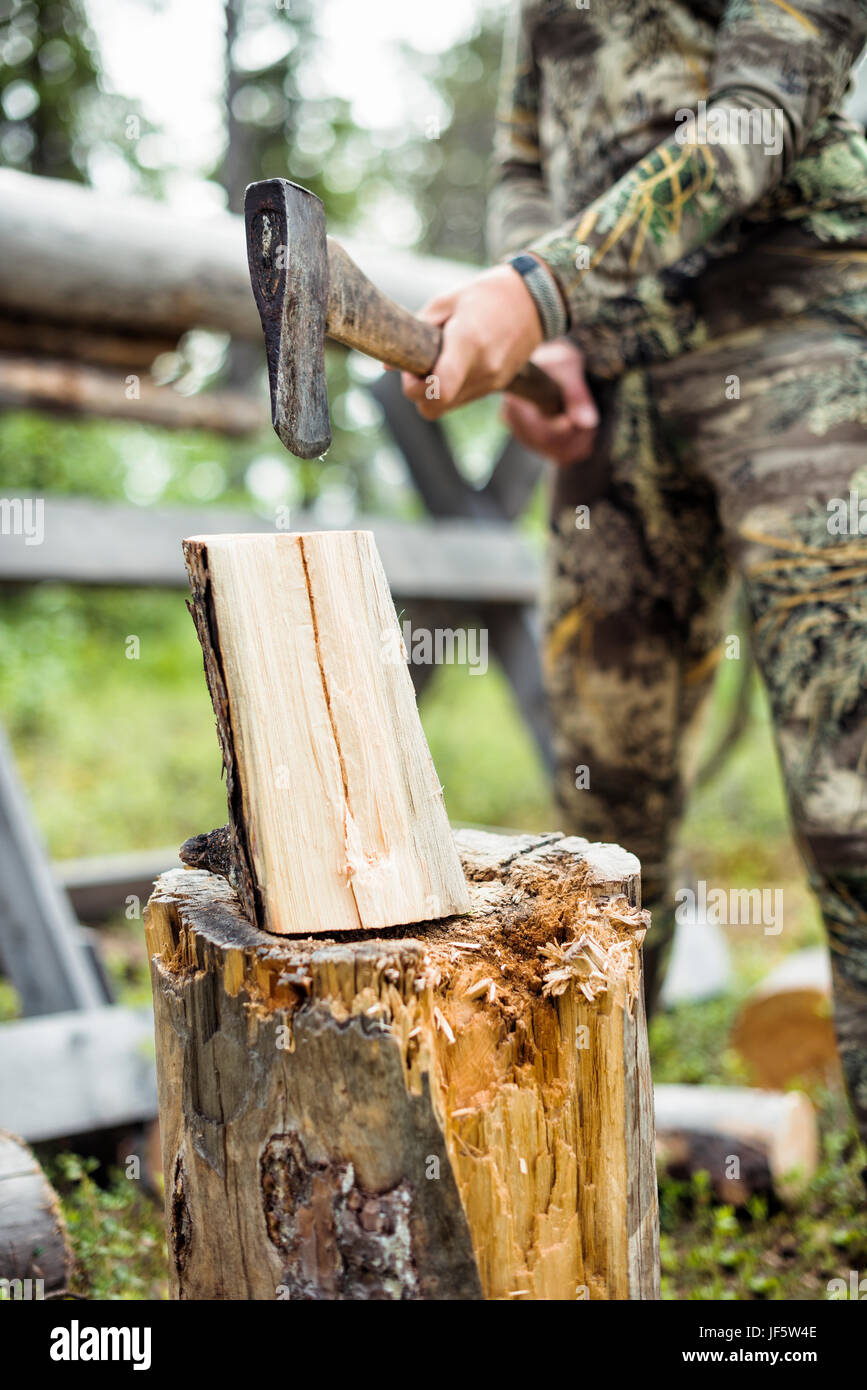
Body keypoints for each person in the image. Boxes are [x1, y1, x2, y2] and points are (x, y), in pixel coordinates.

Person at [400, 0, 867, 1145]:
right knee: (603, 811)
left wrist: (542, 284)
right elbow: (526, 150)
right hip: (613, 386)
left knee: (849, 801)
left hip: (801, 339)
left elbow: (764, 113)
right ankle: (591, 1191)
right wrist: (549, 334)